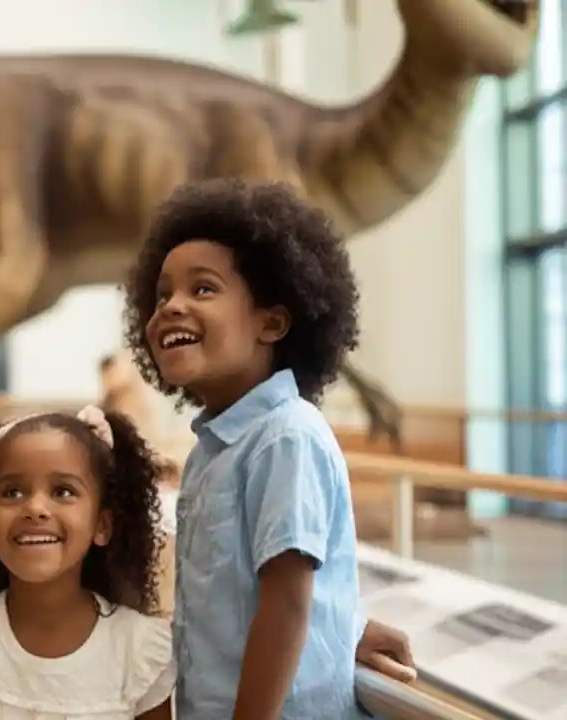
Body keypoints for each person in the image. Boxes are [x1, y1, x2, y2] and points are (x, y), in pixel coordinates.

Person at [121, 178, 414, 719]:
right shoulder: (214, 448)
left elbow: (286, 604)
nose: (171, 307)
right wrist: (350, 626)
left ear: (272, 322)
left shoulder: (285, 437)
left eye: (202, 289)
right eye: (162, 294)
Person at [0, 406, 175, 720]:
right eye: (12, 492)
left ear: (102, 525)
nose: (36, 508)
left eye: (63, 491)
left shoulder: (140, 651)